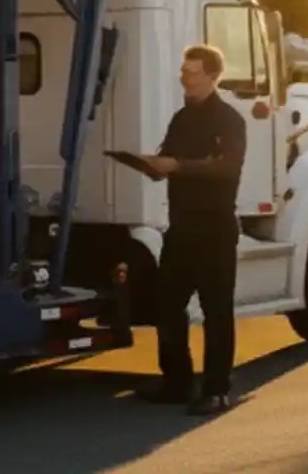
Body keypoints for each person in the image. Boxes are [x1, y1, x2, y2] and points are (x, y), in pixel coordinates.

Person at [136, 44, 247, 416]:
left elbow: (227, 169)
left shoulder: (230, 120)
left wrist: (178, 166)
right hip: (181, 227)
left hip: (214, 227)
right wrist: (150, 165)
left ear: (213, 76)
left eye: (193, 72)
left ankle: (217, 390)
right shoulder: (181, 118)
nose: (185, 78)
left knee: (217, 311)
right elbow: (168, 158)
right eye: (183, 72)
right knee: (166, 305)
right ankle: (177, 382)